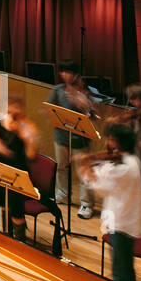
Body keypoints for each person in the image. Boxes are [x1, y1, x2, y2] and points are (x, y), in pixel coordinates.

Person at [76, 124, 141, 281]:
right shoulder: (130, 160)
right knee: (122, 265)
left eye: (112, 139)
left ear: (121, 142)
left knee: (122, 272)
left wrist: (85, 168)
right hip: (120, 219)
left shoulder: (125, 167)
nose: (108, 142)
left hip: (123, 223)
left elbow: (101, 187)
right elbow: (105, 173)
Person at [0, 95, 39, 240]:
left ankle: (20, 241)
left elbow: (31, 155)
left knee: (17, 209)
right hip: (0, 168)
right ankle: (7, 237)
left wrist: (30, 141)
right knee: (4, 204)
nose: (12, 110)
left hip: (18, 170)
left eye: (16, 106)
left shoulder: (27, 126)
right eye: (9, 106)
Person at [48, 63, 95, 219]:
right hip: (60, 137)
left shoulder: (85, 92)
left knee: (84, 172)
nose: (66, 75)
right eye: (63, 72)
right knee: (61, 167)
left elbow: (92, 115)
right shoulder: (57, 90)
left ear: (76, 75)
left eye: (69, 72)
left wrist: (84, 103)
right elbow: (48, 109)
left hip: (80, 139)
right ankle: (62, 193)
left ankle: (86, 204)